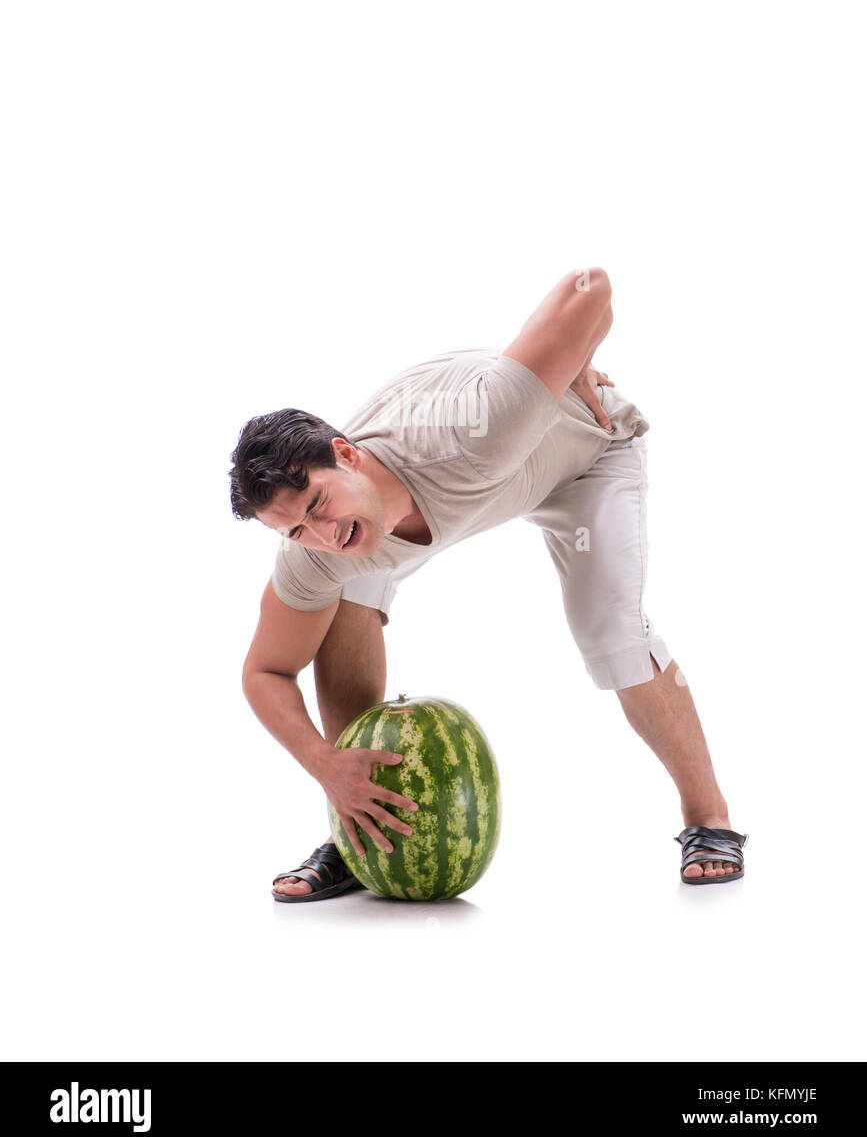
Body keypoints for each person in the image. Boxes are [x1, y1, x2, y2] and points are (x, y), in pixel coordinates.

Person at [229, 268, 748, 899]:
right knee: (348, 595)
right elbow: (265, 671)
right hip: (469, 483)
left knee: (610, 633)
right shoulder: (318, 550)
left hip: (583, 458)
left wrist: (582, 353)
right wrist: (325, 766)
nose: (319, 533)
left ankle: (710, 818)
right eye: (293, 531)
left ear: (346, 454)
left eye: (316, 505)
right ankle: (358, 830)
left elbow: (591, 286)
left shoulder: (476, 430)